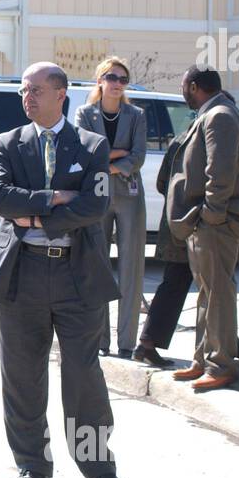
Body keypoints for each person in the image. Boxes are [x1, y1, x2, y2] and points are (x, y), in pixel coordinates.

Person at [0, 62, 130, 478]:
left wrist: (34, 217)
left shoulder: (91, 145)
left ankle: (98, 469)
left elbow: (96, 205)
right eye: (23, 92)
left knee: (83, 376)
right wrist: (53, 198)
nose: (26, 98)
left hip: (77, 275)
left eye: (35, 90)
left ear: (61, 94)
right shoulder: (6, 144)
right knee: (23, 376)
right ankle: (33, 467)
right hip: (21, 275)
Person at [134, 98, 239, 370]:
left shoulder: (186, 136)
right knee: (188, 283)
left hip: (185, 222)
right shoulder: (197, 137)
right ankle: (148, 342)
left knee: (214, 286)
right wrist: (207, 213)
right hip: (194, 224)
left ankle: (225, 342)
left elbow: (162, 183)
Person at [165, 66, 239, 391]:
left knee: (218, 293)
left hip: (216, 224)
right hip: (205, 222)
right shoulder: (214, 112)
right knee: (207, 291)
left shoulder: (219, 115)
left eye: (182, 86)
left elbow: (220, 174)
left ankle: (221, 365)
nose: (182, 91)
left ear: (192, 86)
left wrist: (211, 217)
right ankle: (203, 360)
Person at [74, 56, 146, 359]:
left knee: (131, 268)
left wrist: (110, 162)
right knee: (97, 266)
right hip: (96, 195)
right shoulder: (84, 113)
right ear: (99, 80)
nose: (117, 84)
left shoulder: (137, 115)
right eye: (112, 77)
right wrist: (116, 155)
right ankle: (100, 340)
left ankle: (127, 342)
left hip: (129, 194)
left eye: (122, 79)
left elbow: (138, 155)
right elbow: (84, 153)